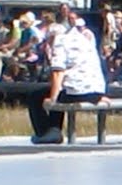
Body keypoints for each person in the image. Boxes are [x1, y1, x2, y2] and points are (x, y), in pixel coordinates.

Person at [28, 12, 107, 144]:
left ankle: (46, 132)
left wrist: (52, 100)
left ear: (52, 36)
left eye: (48, 40)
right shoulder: (83, 40)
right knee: (59, 91)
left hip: (78, 91)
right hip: (95, 90)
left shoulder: (60, 42)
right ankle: (53, 131)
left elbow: (57, 73)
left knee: (36, 96)